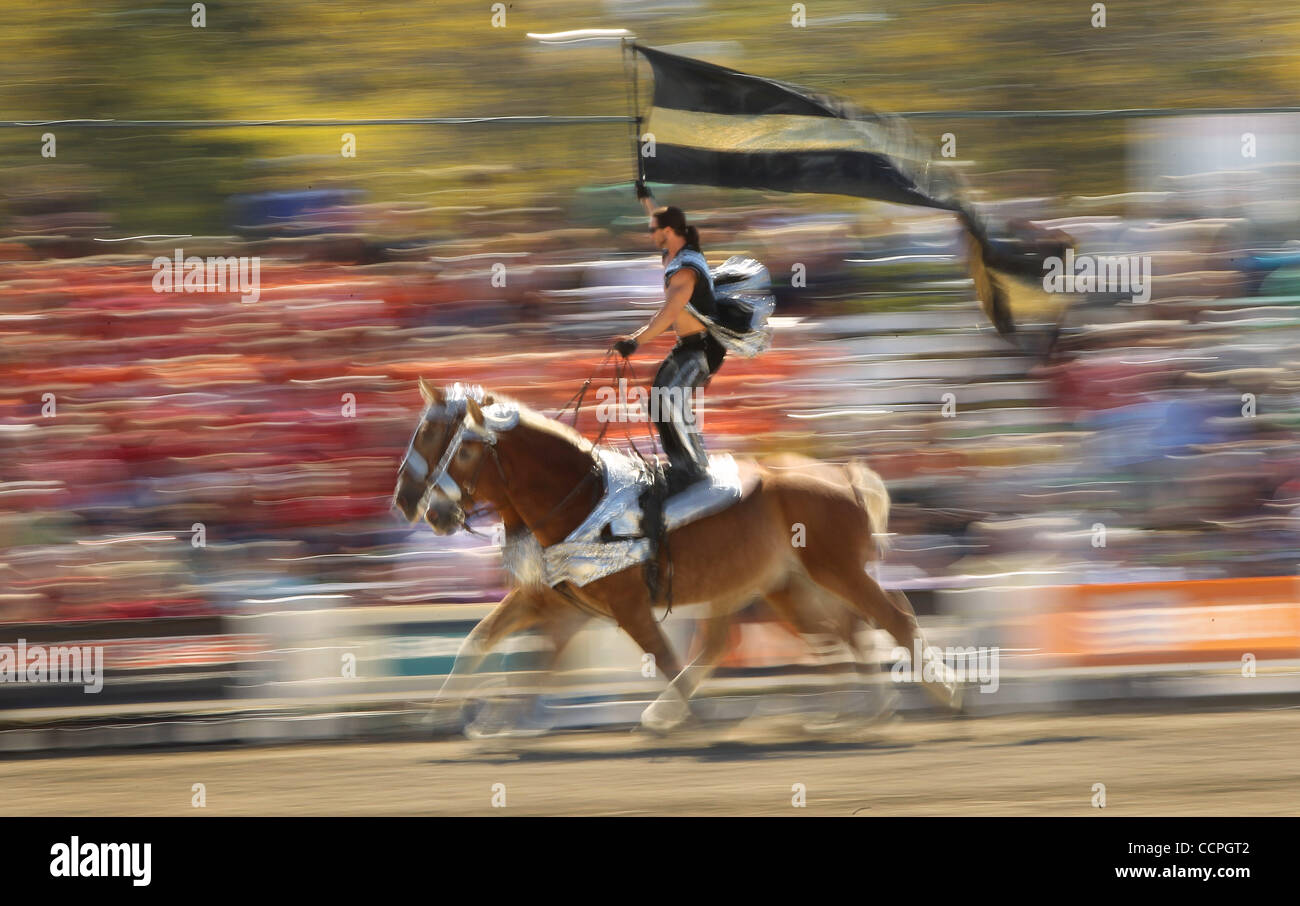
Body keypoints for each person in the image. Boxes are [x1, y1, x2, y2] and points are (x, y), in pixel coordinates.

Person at [612, 181, 726, 492]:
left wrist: (635, 341)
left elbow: (668, 314)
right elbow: (664, 223)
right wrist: (647, 200)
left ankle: (694, 468)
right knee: (659, 400)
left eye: (653, 230)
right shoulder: (679, 251)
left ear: (669, 231)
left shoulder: (685, 270)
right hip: (687, 345)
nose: (650, 235)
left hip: (702, 349)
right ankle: (683, 464)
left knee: (669, 399)